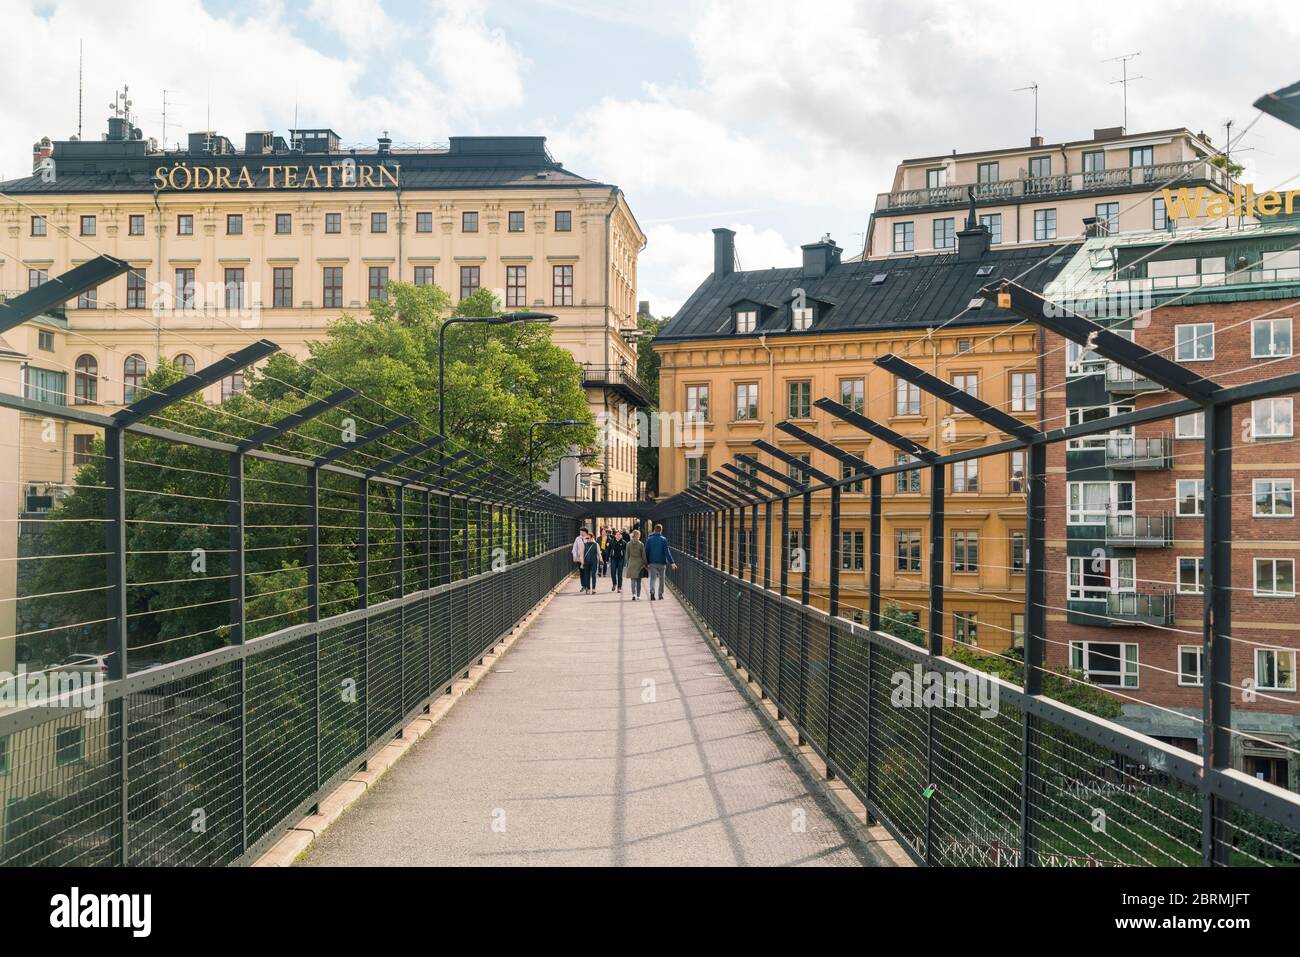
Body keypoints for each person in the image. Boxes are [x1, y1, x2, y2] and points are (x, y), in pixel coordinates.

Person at [644, 523, 677, 601]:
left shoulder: (649, 539)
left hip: (652, 562)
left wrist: (646, 562)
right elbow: (667, 552)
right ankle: (660, 594)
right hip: (662, 562)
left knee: (653, 578)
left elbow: (646, 551)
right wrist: (672, 562)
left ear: (654, 530)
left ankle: (652, 592)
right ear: (661, 530)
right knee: (662, 579)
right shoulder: (663, 539)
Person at [625, 528, 647, 601]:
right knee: (638, 581)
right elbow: (643, 555)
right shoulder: (641, 544)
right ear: (638, 535)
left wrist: (627, 563)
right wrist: (645, 563)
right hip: (639, 563)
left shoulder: (628, 544)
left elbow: (627, 555)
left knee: (632, 580)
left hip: (631, 562)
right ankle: (638, 595)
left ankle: (633, 594)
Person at [580, 529, 602, 595]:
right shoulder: (584, 544)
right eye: (586, 538)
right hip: (586, 562)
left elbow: (599, 553)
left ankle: (594, 589)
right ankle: (588, 589)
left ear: (592, 538)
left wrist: (601, 560)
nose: (587, 539)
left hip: (594, 562)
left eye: (588, 538)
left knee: (593, 575)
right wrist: (582, 563)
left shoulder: (596, 544)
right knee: (587, 575)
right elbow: (581, 554)